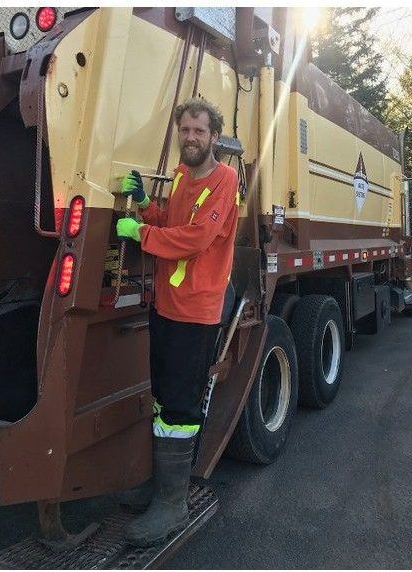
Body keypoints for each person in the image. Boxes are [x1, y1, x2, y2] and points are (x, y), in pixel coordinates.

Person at [115, 97, 239, 546]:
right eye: (185, 130)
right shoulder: (185, 177)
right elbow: (172, 221)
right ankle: (160, 485)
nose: (190, 138)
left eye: (199, 131)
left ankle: (173, 502)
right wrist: (148, 207)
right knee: (163, 397)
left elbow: (196, 237)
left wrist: (141, 234)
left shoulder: (225, 181)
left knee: (183, 406)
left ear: (214, 137)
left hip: (196, 312)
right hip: (166, 305)